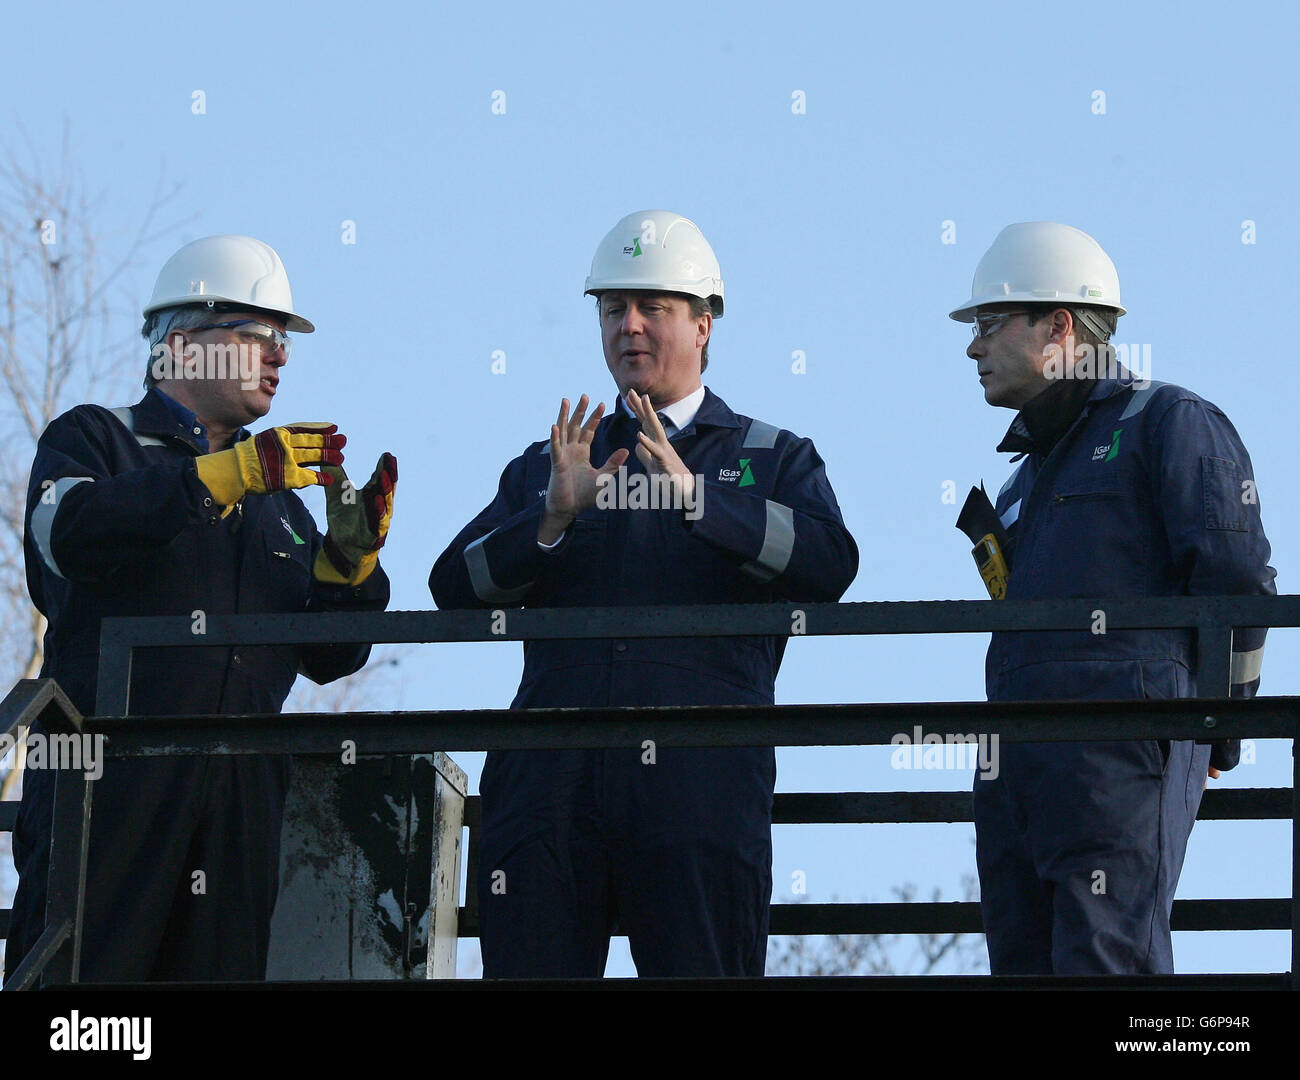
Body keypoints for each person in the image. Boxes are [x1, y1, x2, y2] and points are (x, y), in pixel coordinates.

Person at [430, 210, 858, 977]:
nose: (628, 326)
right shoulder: (552, 462)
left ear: (704, 326)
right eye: (611, 309)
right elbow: (452, 586)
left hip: (701, 784)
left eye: (653, 307)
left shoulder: (772, 456)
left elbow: (830, 566)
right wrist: (552, 516)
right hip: (548, 784)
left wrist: (702, 501)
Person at [6, 234, 397, 984]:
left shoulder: (278, 497)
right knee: (84, 1002)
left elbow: (328, 658)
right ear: (183, 346)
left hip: (238, 805)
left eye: (284, 341)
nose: (280, 356)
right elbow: (67, 535)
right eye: (257, 337)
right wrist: (215, 479)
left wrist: (349, 569)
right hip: (105, 785)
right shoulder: (97, 439)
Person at [953, 221, 1276, 974]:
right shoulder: (1021, 481)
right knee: (1023, 965)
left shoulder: (1169, 422)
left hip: (1119, 747)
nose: (973, 348)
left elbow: (1237, 578)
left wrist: (1219, 726)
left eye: (990, 324)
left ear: (1059, 326)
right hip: (1015, 763)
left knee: (1107, 957)